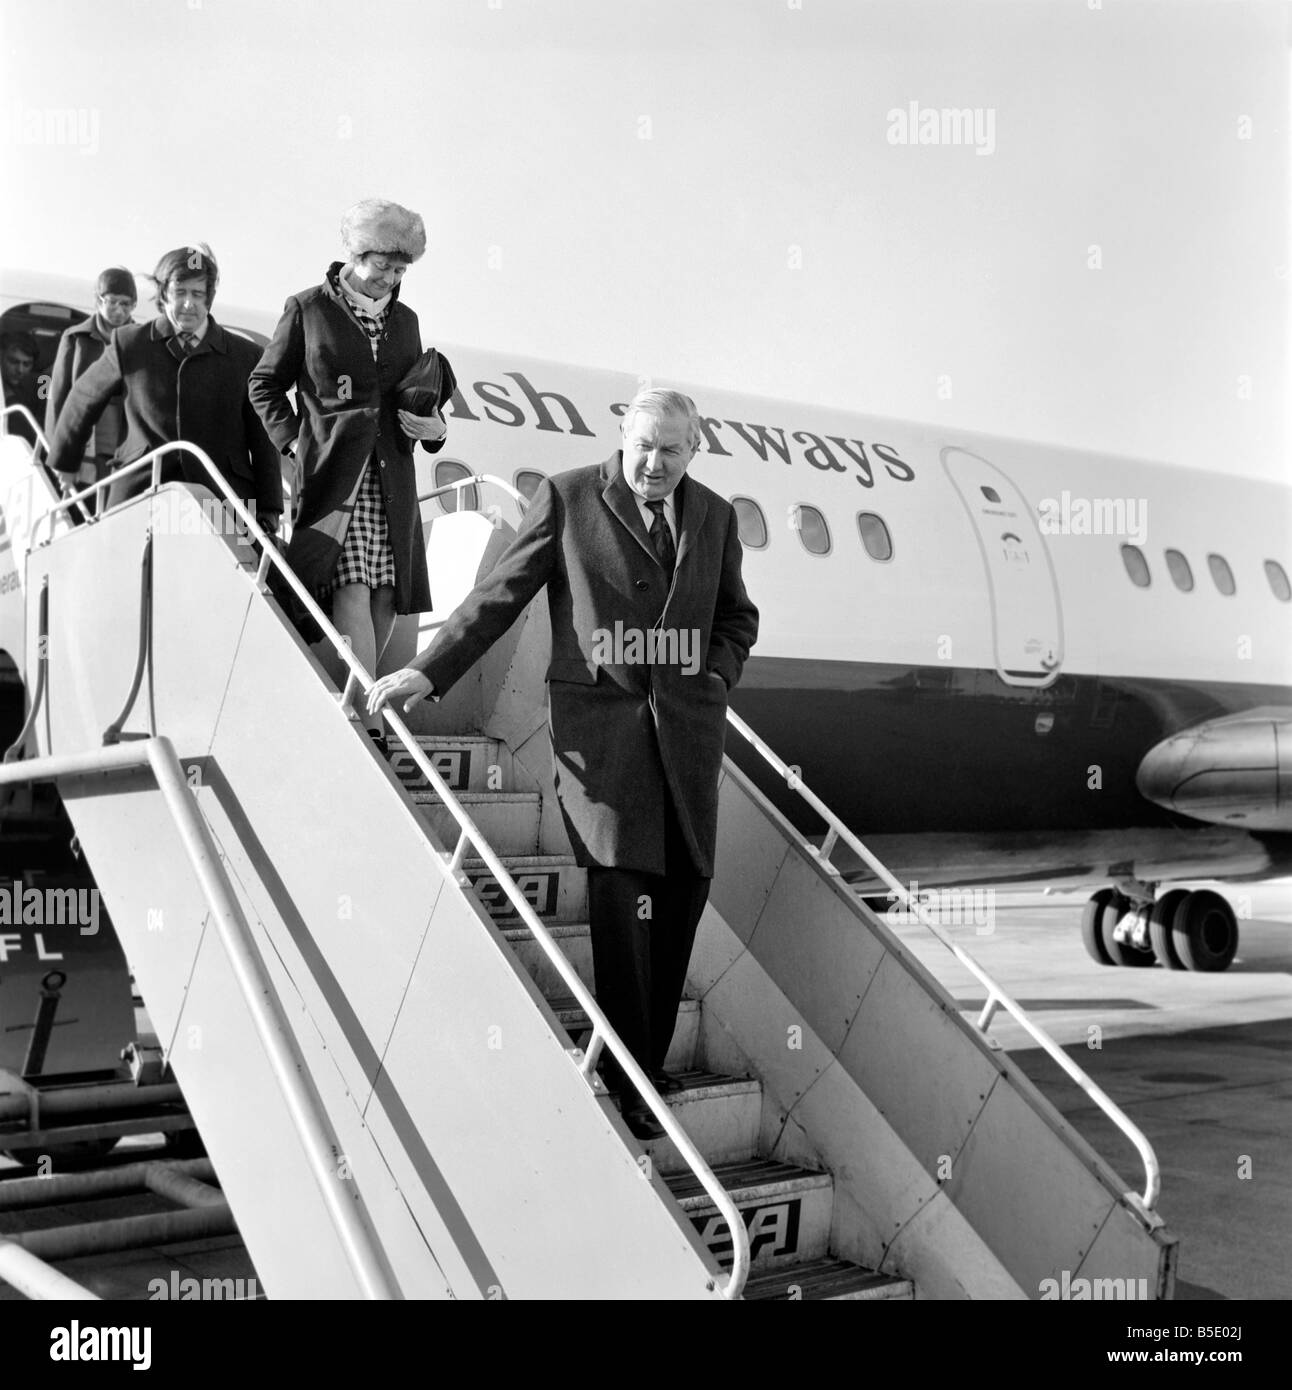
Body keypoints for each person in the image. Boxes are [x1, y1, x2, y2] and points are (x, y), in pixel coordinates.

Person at [368, 388, 759, 1138]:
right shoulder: (569, 497)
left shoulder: (714, 515)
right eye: (643, 444)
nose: (653, 462)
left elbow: (737, 614)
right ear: (624, 434)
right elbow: (501, 592)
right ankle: (628, 1074)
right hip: (601, 737)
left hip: (686, 736)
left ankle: (643, 1055)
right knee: (622, 894)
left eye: (671, 450)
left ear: (693, 449)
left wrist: (713, 673)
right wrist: (429, 670)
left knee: (683, 890)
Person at [248, 199, 451, 758]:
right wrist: (292, 443)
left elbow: (417, 398)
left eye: (400, 268)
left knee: (387, 595)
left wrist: (435, 428)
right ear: (353, 254)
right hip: (336, 475)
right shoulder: (308, 308)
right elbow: (263, 384)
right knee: (352, 587)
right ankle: (368, 715)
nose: (389, 277)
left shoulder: (406, 322)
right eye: (380, 264)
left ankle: (362, 699)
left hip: (393, 476)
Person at [45, 246, 282, 539]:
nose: (188, 304)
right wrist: (65, 463)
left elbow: (262, 434)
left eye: (198, 294)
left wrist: (270, 505)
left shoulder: (246, 355)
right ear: (163, 294)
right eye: (179, 292)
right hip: (141, 489)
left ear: (210, 296)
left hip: (223, 496)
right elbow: (83, 398)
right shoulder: (129, 343)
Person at [45, 267, 138, 509]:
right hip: (83, 441)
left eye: (126, 304)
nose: (120, 310)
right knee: (78, 509)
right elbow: (58, 398)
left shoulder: (140, 341)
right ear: (98, 301)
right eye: (113, 302)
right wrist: (58, 456)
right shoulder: (76, 338)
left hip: (123, 442)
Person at [1, 330, 43, 447]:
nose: (20, 370)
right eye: (14, 362)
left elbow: (47, 418)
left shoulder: (43, 381)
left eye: (26, 364)